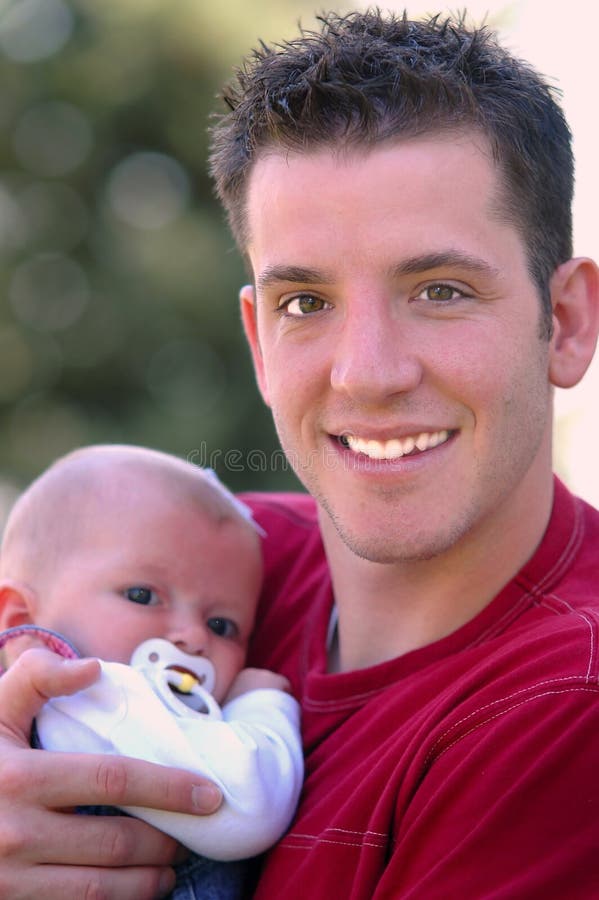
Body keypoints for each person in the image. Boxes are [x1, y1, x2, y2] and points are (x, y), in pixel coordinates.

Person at [0, 7, 598, 898]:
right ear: (256, 341)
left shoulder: (562, 711)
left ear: (564, 323)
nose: (366, 375)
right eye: (305, 303)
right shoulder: (211, 561)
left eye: (439, 289)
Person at [0, 444, 303, 899]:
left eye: (222, 625)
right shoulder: (95, 697)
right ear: (24, 624)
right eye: (143, 596)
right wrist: (263, 705)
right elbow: (249, 809)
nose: (193, 637)